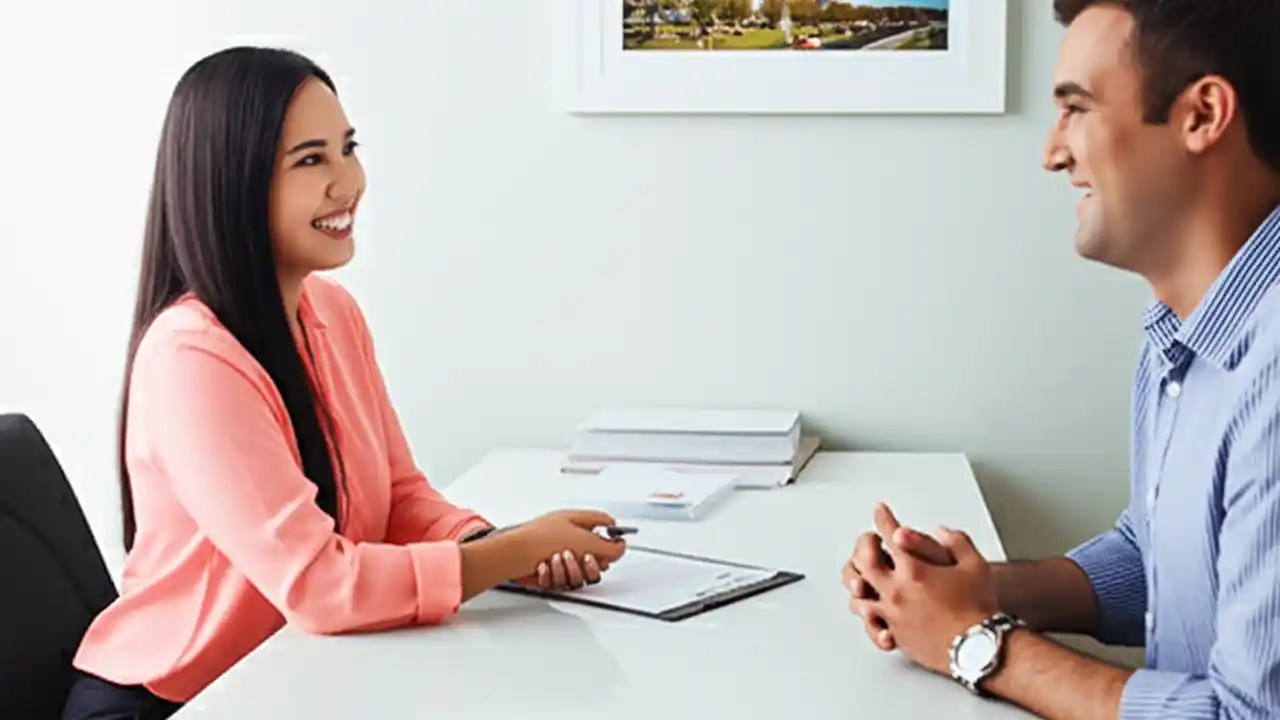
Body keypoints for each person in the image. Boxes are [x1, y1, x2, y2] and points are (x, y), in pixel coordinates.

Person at [63, 47, 627, 720]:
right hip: (172, 702)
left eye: (348, 149)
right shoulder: (192, 356)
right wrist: (512, 552)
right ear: (233, 181)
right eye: (311, 160)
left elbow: (401, 502)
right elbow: (320, 586)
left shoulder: (332, 312)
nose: (348, 182)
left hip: (290, 681)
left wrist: (496, 546)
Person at [842, 1, 1280, 718]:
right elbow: (1158, 555)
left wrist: (973, 642)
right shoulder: (1183, 333)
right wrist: (960, 593)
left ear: (1202, 115)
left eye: (1076, 109)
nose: (1052, 153)